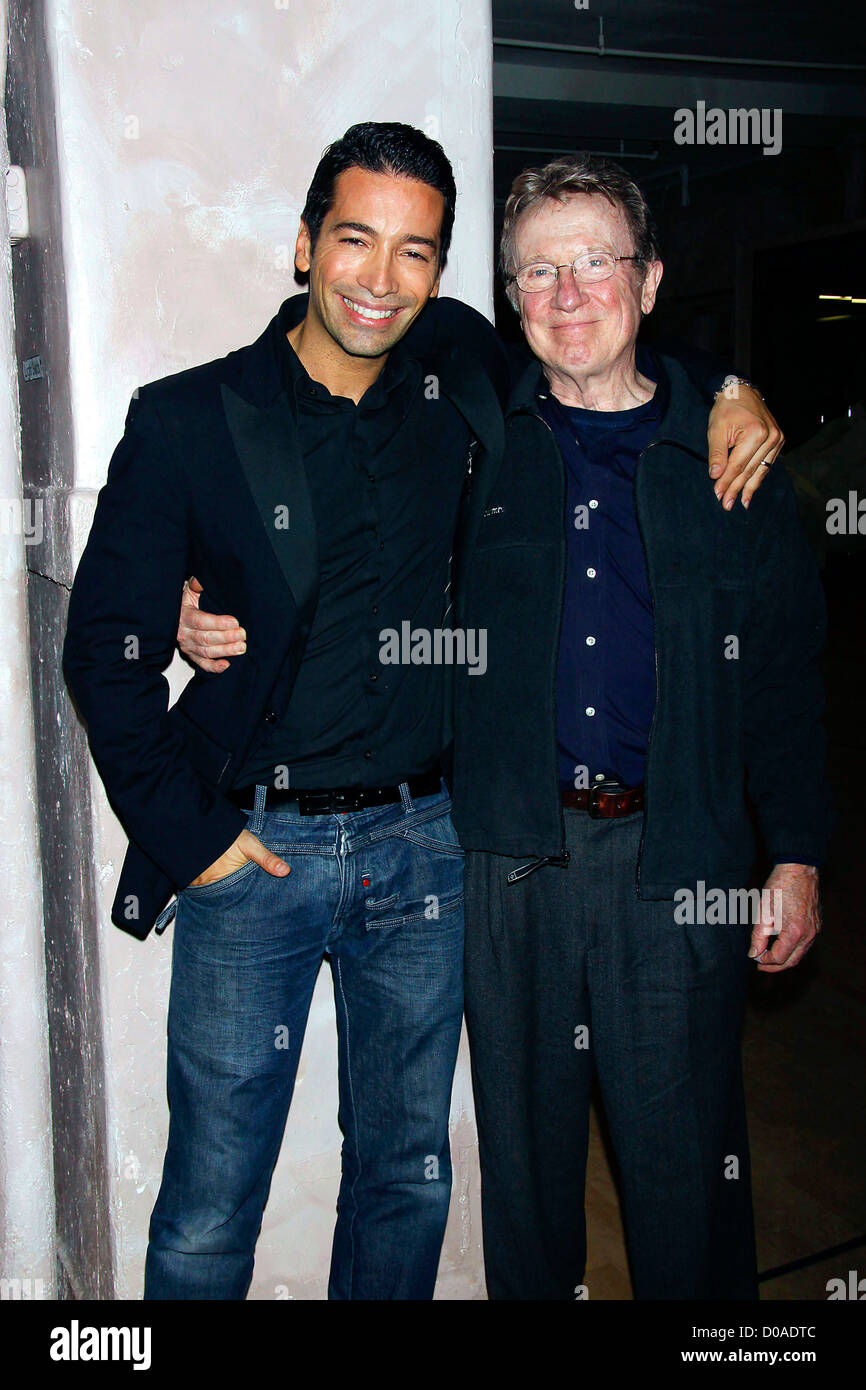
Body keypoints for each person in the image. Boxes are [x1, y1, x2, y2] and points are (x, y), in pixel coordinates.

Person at [66, 120, 777, 1301]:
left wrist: (734, 386)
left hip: (428, 850)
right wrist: (197, 844)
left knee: (407, 1171)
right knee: (208, 1200)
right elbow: (103, 652)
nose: (380, 278)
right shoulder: (189, 417)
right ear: (303, 246)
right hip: (257, 852)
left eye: (414, 252)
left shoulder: (457, 369)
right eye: (355, 240)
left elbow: (602, 354)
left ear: (440, 272)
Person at [447, 156, 831, 1299]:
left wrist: (796, 853)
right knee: (521, 1174)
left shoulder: (733, 469)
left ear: (650, 279)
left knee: (682, 1174)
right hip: (508, 861)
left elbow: (782, 680)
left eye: (595, 263)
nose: (568, 294)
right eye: (538, 272)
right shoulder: (471, 444)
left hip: (676, 864)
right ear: (511, 298)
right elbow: (337, 331)